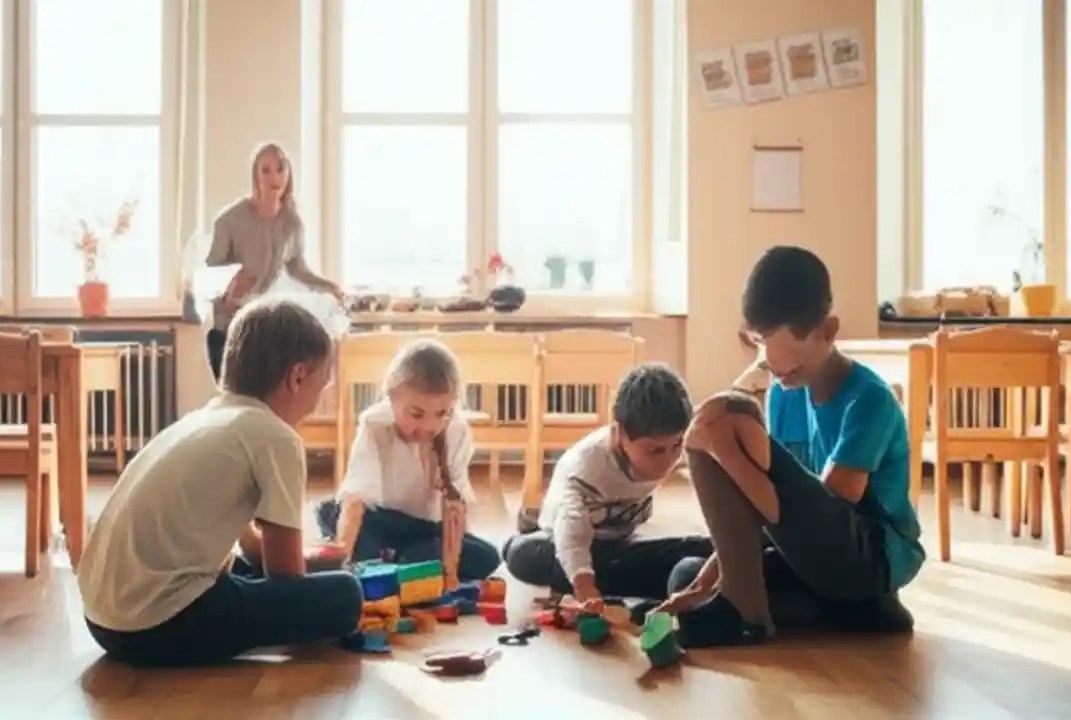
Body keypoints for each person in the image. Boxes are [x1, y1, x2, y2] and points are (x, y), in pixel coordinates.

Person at [655, 245, 921, 646]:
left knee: (729, 413)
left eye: (792, 364)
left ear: (828, 333)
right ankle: (862, 612)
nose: (778, 374)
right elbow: (774, 507)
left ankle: (751, 614)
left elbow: (827, 506)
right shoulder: (785, 393)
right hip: (812, 553)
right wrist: (703, 581)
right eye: (763, 351)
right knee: (686, 571)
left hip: (866, 556)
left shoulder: (869, 401)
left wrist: (726, 451)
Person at [77, 297, 362, 668]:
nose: (315, 403)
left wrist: (311, 560)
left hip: (101, 620)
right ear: (297, 377)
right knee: (345, 594)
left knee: (248, 573)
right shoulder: (276, 437)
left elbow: (248, 547)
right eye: (321, 387)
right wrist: (324, 571)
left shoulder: (206, 420)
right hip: (158, 626)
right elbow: (286, 578)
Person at [502, 363, 714, 612]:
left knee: (703, 549)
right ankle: (535, 532)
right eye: (656, 450)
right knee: (522, 554)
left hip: (618, 548)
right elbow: (573, 535)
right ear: (618, 435)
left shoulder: (672, 447)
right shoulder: (589, 465)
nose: (669, 459)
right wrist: (586, 589)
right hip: (564, 543)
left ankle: (622, 586)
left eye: (677, 445)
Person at [315, 340, 501, 581]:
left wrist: (452, 567)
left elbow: (456, 506)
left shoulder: (456, 430)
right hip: (380, 519)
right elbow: (356, 499)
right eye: (416, 414)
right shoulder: (374, 425)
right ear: (391, 398)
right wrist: (342, 566)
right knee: (333, 512)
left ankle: (395, 562)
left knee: (486, 556)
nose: (429, 426)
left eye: (442, 413)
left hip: (424, 528)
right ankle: (398, 564)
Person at [203, 142, 342, 380]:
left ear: (289, 173)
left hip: (262, 327)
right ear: (256, 176)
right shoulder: (229, 220)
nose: (274, 177)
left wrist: (331, 286)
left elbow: (298, 268)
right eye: (266, 170)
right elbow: (208, 274)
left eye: (280, 168)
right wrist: (230, 291)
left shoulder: (292, 222)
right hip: (228, 327)